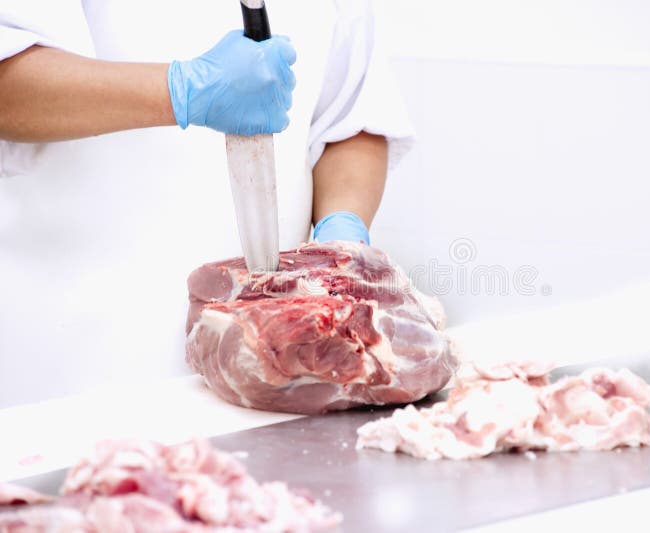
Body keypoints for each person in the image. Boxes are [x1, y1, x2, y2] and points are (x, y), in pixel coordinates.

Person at [0, 0, 414, 405]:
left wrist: (341, 236)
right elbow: (8, 83)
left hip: (271, 367)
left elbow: (352, 120)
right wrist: (184, 88)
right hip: (73, 367)